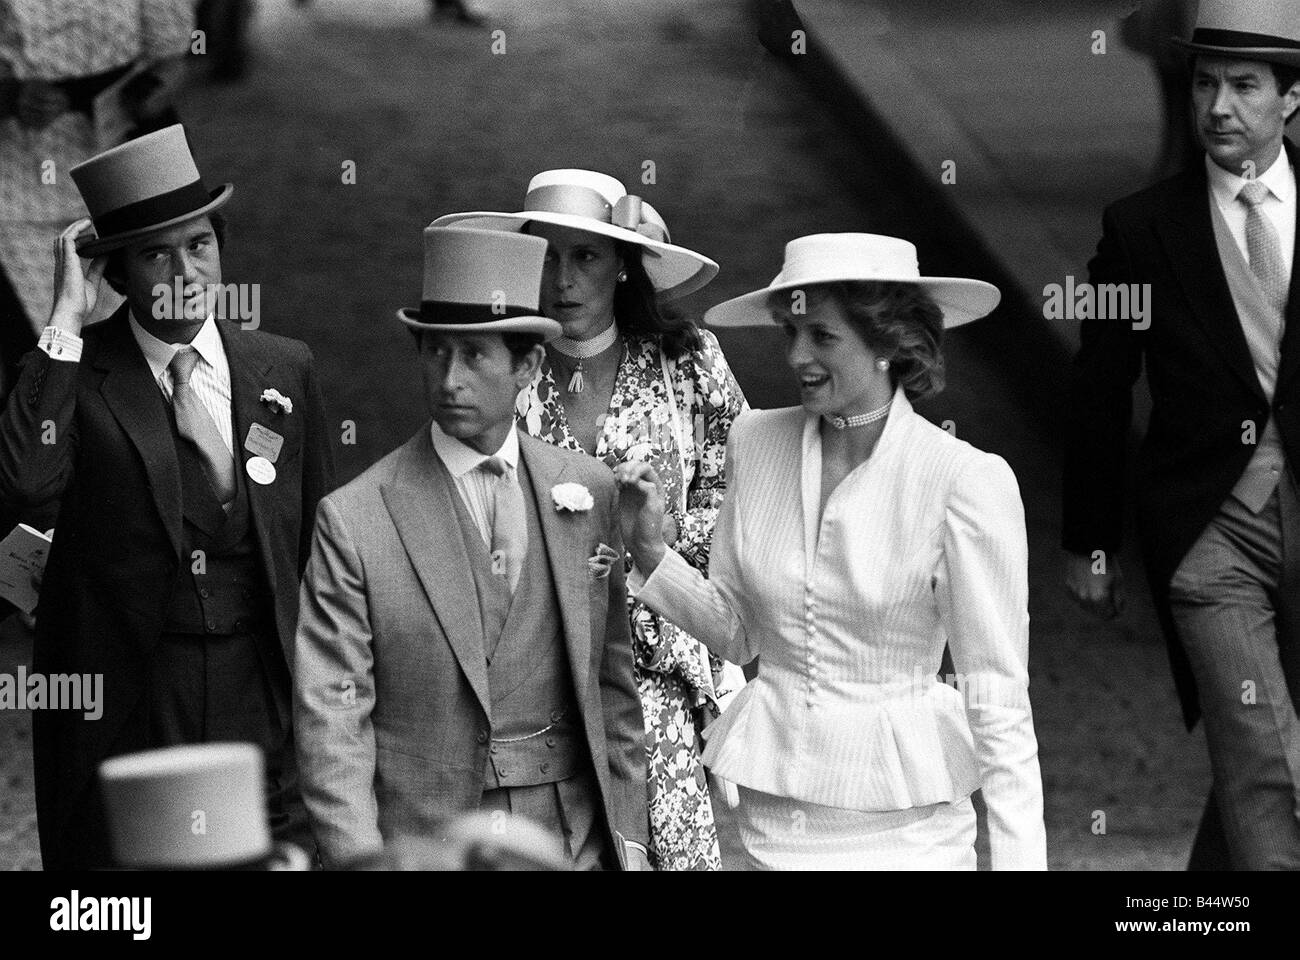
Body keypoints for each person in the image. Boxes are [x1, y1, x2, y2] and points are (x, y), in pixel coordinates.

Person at [617, 233, 1047, 870]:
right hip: (776, 827)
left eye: (821, 335)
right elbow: (739, 635)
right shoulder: (755, 442)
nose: (796, 356)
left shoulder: (963, 480)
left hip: (906, 833)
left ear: (886, 344)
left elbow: (999, 702)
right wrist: (652, 553)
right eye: (788, 332)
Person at [0, 124, 336, 869]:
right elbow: (26, 485)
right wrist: (64, 321)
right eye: (155, 254)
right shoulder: (79, 381)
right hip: (133, 694)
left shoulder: (282, 367)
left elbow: (317, 545)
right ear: (116, 273)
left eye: (199, 245)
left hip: (262, 687)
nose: (184, 270)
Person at [292, 225, 651, 870]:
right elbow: (332, 718)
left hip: (569, 840)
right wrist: (365, 863)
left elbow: (612, 686)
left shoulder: (586, 491)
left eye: (473, 355)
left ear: (528, 367)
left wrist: (627, 835)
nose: (449, 378)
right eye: (434, 353)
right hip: (427, 846)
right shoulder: (355, 519)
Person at [433, 169, 747, 870]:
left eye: (586, 257)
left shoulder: (686, 362)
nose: (564, 280)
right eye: (547, 256)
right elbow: (462, 509)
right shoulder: (506, 368)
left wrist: (655, 546)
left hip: (661, 676)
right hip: (540, 688)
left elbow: (736, 499)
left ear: (623, 267)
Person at [1062, 0, 1300, 870]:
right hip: (1208, 536)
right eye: (1205, 84)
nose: (1219, 106)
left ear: (1293, 99)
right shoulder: (1138, 230)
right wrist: (1089, 541)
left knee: (1256, 757)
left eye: (1244, 85)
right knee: (1269, 753)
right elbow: (1099, 386)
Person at [0, 0, 194, 398]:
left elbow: (172, 61)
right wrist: (11, 97)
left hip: (124, 177)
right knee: (43, 363)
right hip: (21, 188)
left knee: (151, 352)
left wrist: (149, 95)